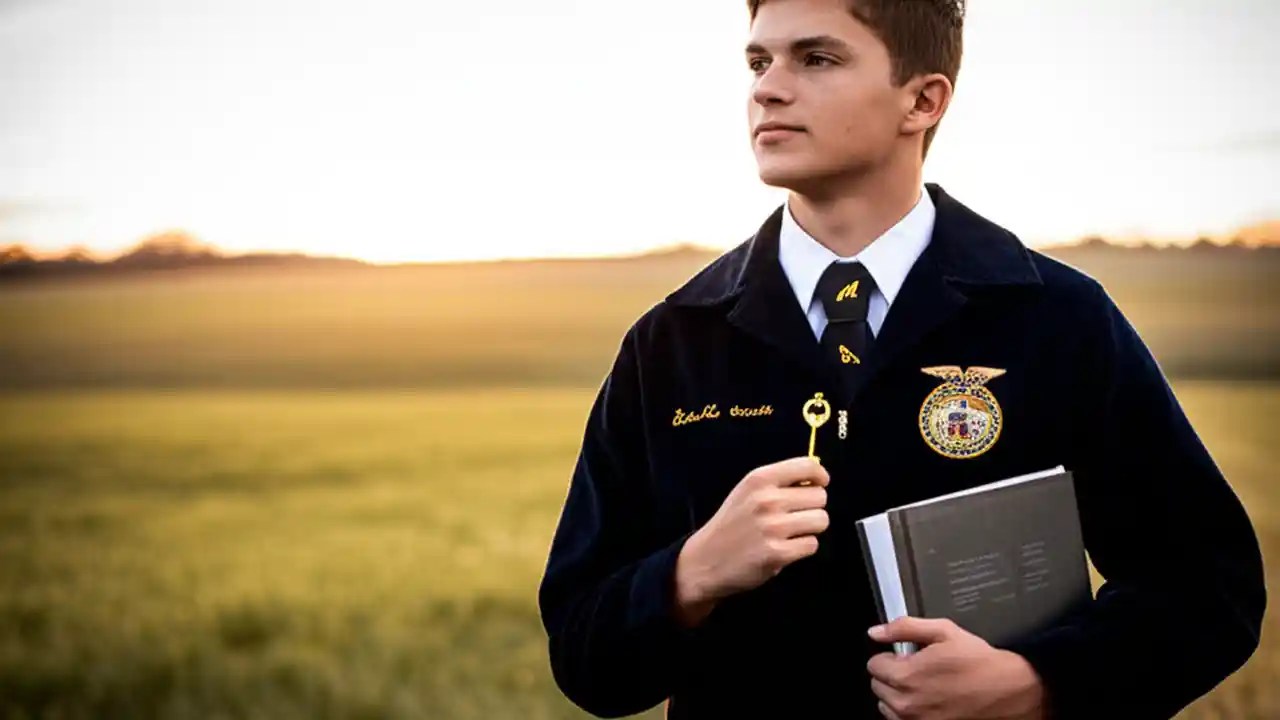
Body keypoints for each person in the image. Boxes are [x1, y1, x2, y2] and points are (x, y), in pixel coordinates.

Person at [536, 0, 1267, 717]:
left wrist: (1038, 683)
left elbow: (1210, 590)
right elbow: (581, 654)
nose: (767, 86)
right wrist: (689, 576)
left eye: (816, 58)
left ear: (922, 99)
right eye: (759, 60)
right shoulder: (672, 343)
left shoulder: (1057, 319)